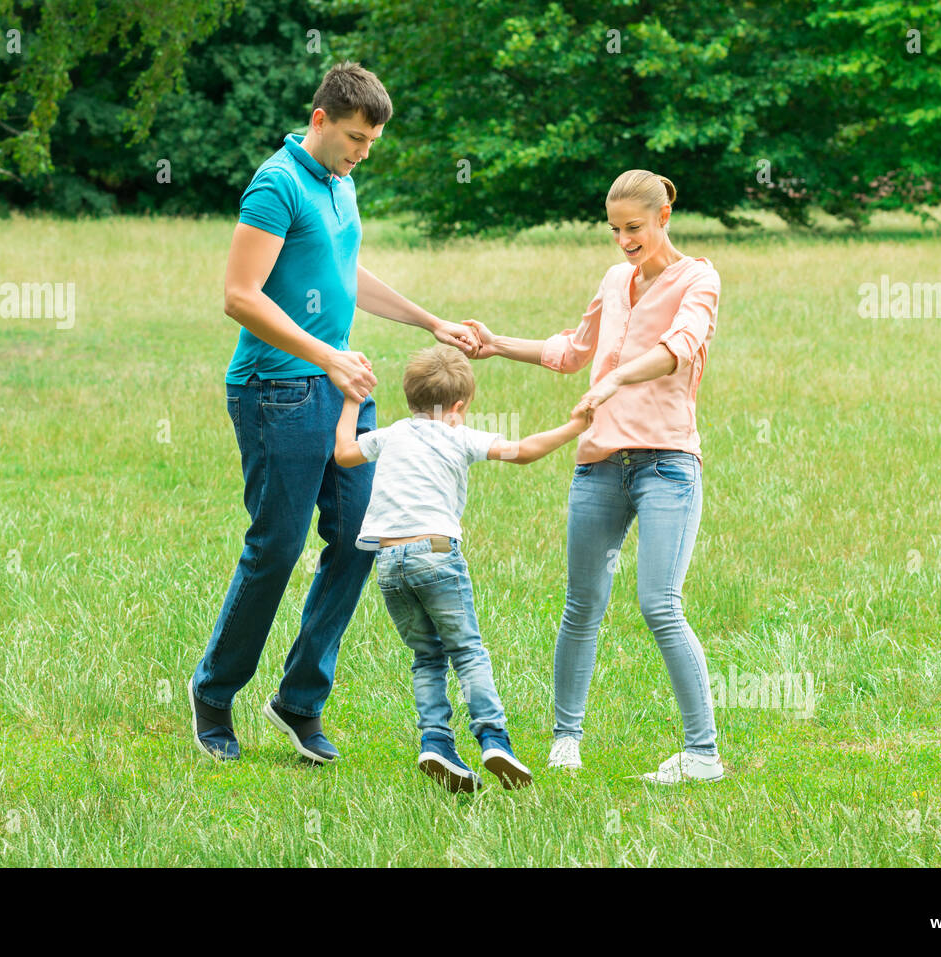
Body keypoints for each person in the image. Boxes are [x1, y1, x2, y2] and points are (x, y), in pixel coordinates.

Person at [188, 62, 479, 764]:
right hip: (275, 392)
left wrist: (429, 320)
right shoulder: (276, 184)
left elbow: (345, 270)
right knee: (277, 547)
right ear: (319, 120)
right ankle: (214, 692)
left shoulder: (340, 183)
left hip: (340, 386)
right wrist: (326, 355)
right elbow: (240, 294)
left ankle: (299, 700)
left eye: (372, 142)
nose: (362, 152)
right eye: (353, 137)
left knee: (359, 538)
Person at [463, 170, 725, 784]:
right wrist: (497, 343)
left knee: (660, 604)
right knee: (582, 604)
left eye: (634, 228)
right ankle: (565, 740)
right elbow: (572, 351)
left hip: (667, 463)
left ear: (665, 215)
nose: (624, 240)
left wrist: (616, 378)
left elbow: (681, 347)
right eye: (615, 230)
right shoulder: (614, 280)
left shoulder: (699, 278)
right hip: (600, 463)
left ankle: (703, 754)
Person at [333, 345, 590, 792]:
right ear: (459, 408)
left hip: (388, 564)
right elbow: (524, 451)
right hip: (436, 553)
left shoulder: (392, 434)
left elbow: (344, 454)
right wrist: (576, 426)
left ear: (411, 399)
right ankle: (494, 738)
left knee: (427, 656)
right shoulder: (458, 436)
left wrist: (352, 399)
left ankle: (435, 742)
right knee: (468, 652)